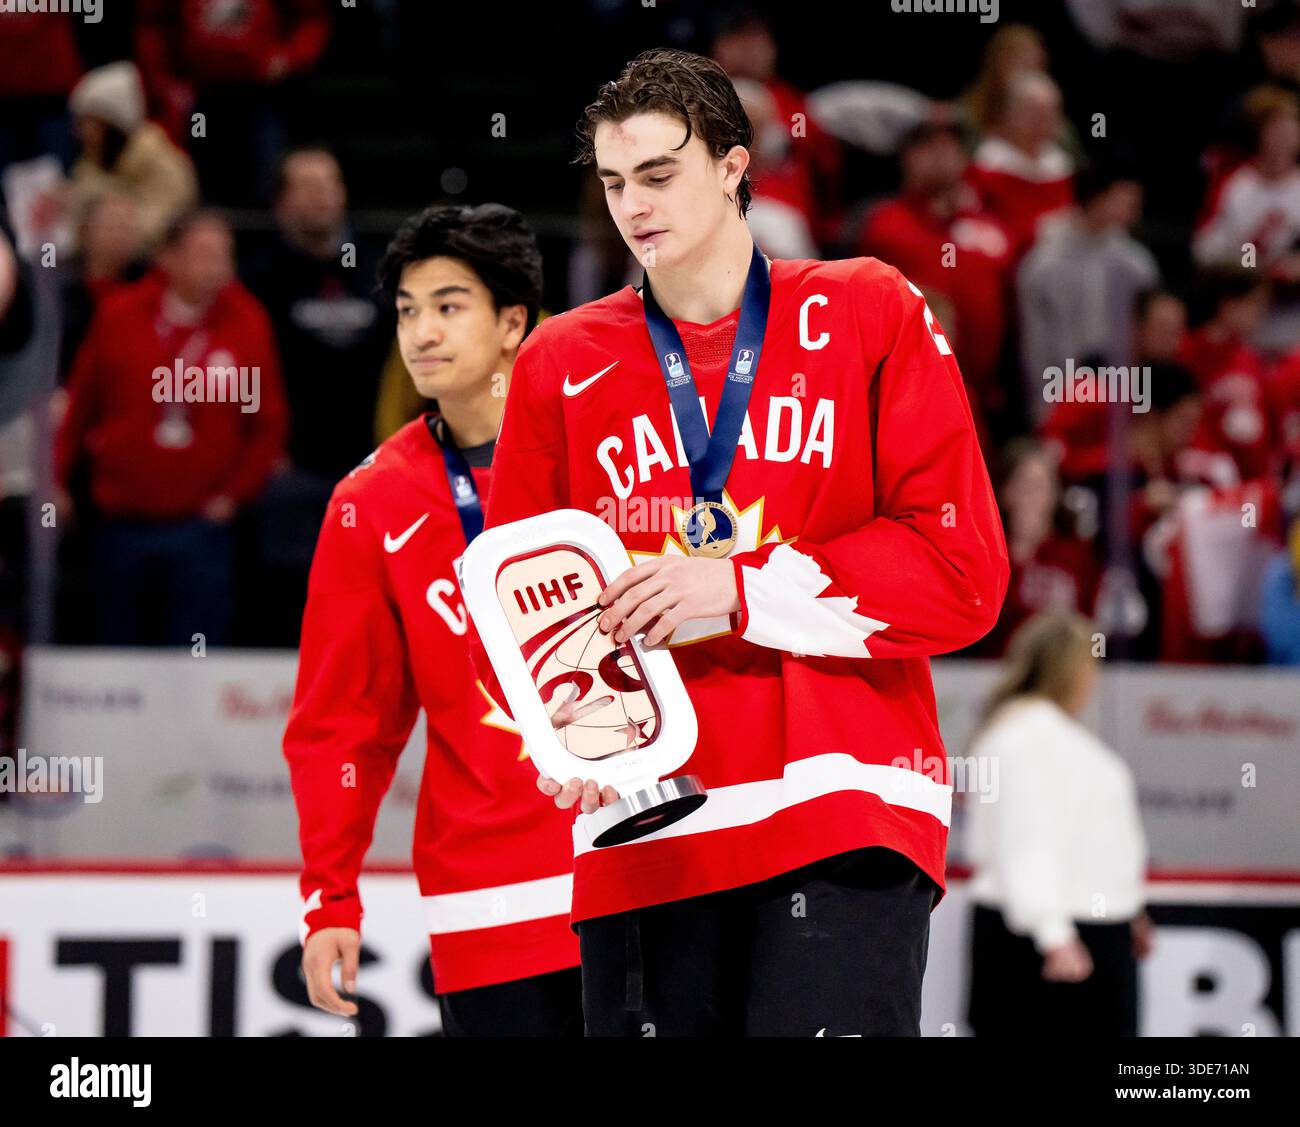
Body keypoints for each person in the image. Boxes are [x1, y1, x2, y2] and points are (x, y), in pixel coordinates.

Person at [472, 49, 1009, 1036]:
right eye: (614, 180)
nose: (634, 204)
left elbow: (961, 571)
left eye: (661, 172)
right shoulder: (559, 358)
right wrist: (559, 731)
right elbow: (521, 603)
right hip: (647, 824)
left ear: (732, 164)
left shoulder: (865, 307)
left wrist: (741, 587)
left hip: (841, 803)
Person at [283, 203, 582, 1037]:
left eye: (449, 306)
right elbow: (343, 723)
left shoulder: (609, 451)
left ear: (513, 322)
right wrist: (330, 894)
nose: (421, 332)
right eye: (409, 310)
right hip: (488, 899)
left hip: (642, 869)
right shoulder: (370, 503)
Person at [54, 209, 287, 646]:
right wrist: (59, 479)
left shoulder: (247, 322)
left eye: (225, 255)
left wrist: (234, 495)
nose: (219, 267)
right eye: (205, 254)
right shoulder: (120, 314)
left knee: (195, 651)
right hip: (121, 520)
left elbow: (267, 423)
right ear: (169, 257)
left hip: (202, 526)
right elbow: (81, 404)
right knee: (119, 649)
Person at [965, 612, 1152, 1037]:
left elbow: (1084, 836)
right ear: (1074, 671)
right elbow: (1027, 842)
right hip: (1053, 944)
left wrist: (1128, 907)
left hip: (1076, 929)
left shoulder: (1027, 735)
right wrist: (1054, 935)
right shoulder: (1028, 741)